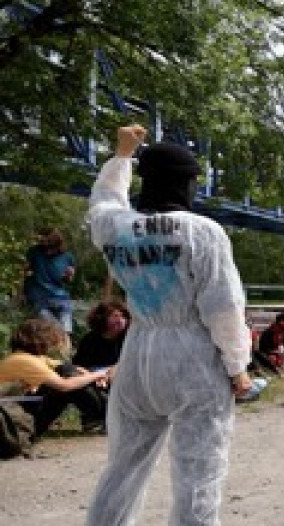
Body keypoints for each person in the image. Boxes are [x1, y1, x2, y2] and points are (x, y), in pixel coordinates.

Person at [84, 125, 252, 526]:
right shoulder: (202, 232)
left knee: (123, 468)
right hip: (192, 358)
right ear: (186, 183)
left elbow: (103, 200)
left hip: (138, 352)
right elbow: (223, 307)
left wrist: (122, 155)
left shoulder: (116, 228)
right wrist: (237, 367)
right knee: (200, 473)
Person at [0, 319, 109, 437]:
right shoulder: (23, 360)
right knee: (65, 383)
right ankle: (105, 414)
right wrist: (97, 375)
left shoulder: (31, 358)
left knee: (66, 370)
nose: (53, 344)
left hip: (20, 413)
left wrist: (93, 376)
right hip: (13, 422)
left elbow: (70, 368)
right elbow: (64, 385)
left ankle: (103, 414)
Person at [23, 228, 77, 333]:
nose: (48, 251)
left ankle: (64, 339)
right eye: (45, 247)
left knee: (65, 329)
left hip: (61, 298)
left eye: (51, 248)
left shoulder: (68, 257)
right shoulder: (34, 252)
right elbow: (23, 272)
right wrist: (21, 293)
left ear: (58, 246)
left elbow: (68, 280)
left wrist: (68, 275)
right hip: (38, 298)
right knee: (53, 330)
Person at [73, 300, 131, 372]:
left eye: (123, 317)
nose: (120, 321)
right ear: (103, 318)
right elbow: (78, 364)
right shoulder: (90, 340)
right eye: (115, 316)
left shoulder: (128, 339)